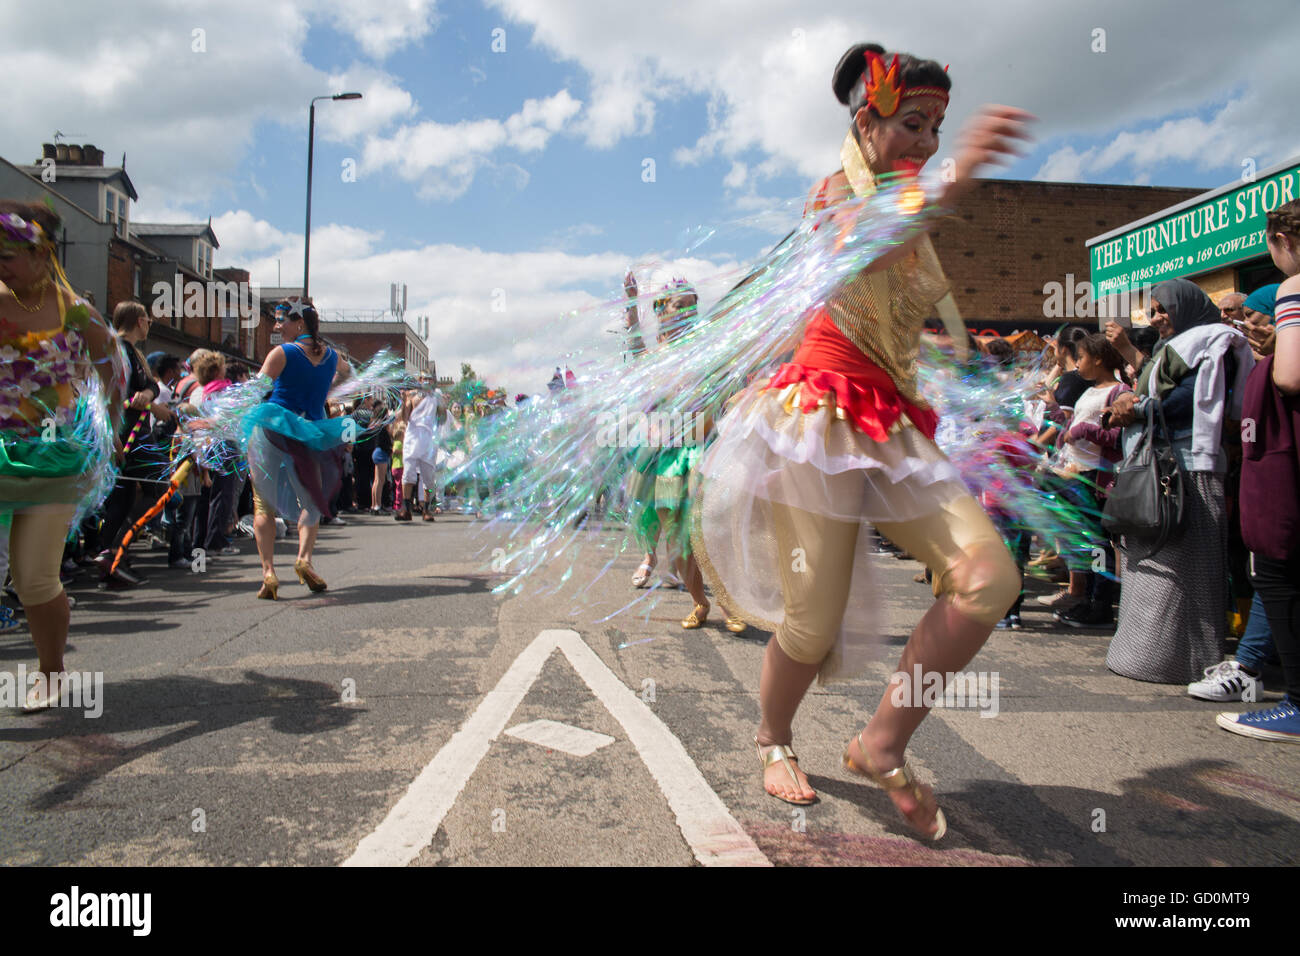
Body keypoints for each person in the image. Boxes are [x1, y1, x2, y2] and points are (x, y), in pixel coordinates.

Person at [693, 44, 1030, 836]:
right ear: (865, 119)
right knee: (812, 622)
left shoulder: (907, 202)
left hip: (891, 422)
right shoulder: (839, 192)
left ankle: (880, 744)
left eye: (939, 127)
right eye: (914, 121)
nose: (928, 140)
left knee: (989, 578)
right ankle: (773, 737)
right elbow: (865, 238)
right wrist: (963, 176)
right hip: (815, 419)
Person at [0, 201, 124, 708]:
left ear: (40, 253)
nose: (1, 264)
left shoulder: (76, 311)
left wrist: (103, 435)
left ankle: (50, 672)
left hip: (52, 460)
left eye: (9, 255)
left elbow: (111, 372)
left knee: (33, 577)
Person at [1103, 279, 1255, 684]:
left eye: (1162, 309)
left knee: (1183, 570)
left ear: (1185, 307)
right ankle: (1142, 655)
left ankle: (1182, 660)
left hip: (1188, 472)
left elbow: (1188, 402)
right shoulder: (1175, 348)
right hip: (1157, 467)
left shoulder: (1214, 344)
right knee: (1149, 566)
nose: (1156, 318)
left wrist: (1136, 408)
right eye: (1152, 311)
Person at [1217, 200, 1300, 740]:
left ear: (1281, 240)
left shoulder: (1294, 287)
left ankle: (1296, 702)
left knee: (1277, 567)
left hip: (1287, 456)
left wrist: (1274, 356)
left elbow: (1291, 378)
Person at [622, 274, 739, 629]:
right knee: (676, 536)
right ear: (663, 312)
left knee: (708, 530)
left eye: (693, 305)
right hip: (665, 458)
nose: (688, 311)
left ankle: (731, 608)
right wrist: (631, 301)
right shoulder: (656, 358)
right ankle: (700, 602)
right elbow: (635, 343)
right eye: (680, 305)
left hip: (700, 451)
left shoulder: (706, 349)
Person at [244, 299, 352, 599]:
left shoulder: (282, 353)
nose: (277, 326)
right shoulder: (332, 356)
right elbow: (348, 374)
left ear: (300, 323)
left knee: (263, 503)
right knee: (311, 501)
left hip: (272, 428)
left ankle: (269, 574)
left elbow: (253, 391)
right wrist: (327, 389)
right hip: (308, 432)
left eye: (282, 321)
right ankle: (304, 559)